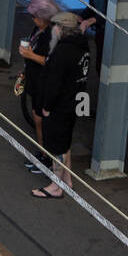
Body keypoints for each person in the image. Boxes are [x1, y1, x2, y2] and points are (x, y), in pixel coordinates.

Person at [32, 12, 91, 199]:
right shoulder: (83, 47)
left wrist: (47, 107)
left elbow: (54, 84)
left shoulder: (62, 52)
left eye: (55, 27)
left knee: (56, 144)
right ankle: (67, 180)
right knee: (65, 141)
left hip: (61, 105)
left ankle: (55, 186)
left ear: (62, 30)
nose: (53, 30)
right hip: (77, 101)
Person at [18, 0, 58, 172]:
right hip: (34, 79)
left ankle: (47, 158)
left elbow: (51, 61)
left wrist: (30, 56)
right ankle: (43, 153)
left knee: (41, 120)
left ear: (43, 17)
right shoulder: (38, 30)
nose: (32, 19)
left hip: (44, 84)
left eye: (34, 16)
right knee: (37, 118)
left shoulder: (51, 35)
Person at [79, 0, 111, 72]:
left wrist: (90, 21)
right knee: (99, 61)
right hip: (100, 29)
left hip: (110, 29)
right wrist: (80, 17)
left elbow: (109, 12)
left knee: (105, 59)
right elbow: (92, 5)